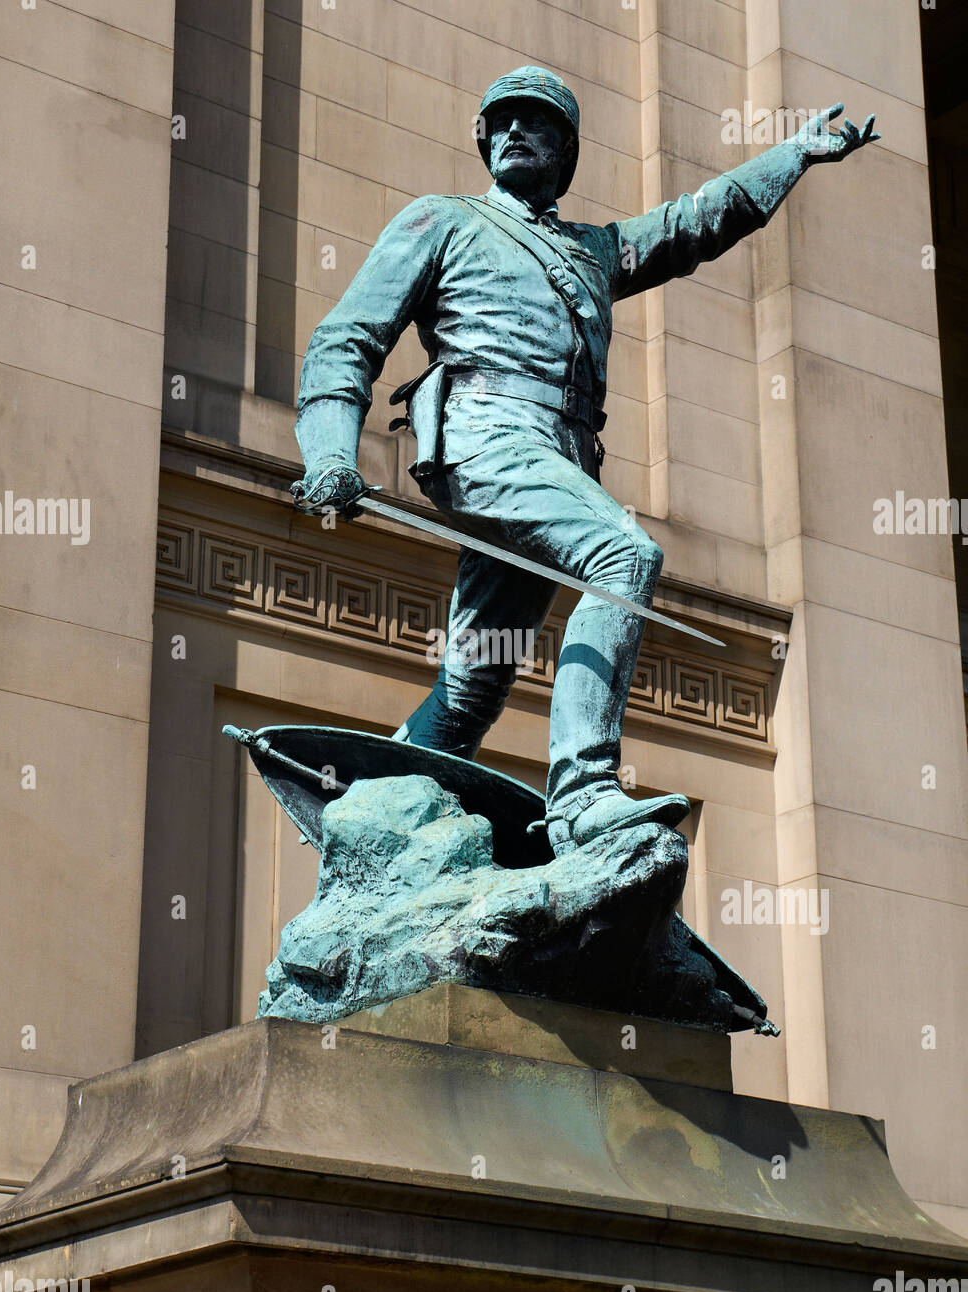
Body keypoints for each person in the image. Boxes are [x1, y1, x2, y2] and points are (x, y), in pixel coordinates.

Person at [292, 67, 878, 857]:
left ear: (565, 149)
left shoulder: (593, 252)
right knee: (622, 553)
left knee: (473, 685)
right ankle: (584, 793)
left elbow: (697, 222)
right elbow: (346, 339)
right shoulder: (441, 220)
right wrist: (329, 449)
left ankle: (371, 822)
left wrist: (794, 156)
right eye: (499, 122)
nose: (511, 133)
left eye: (532, 122)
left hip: (557, 459)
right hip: (481, 437)